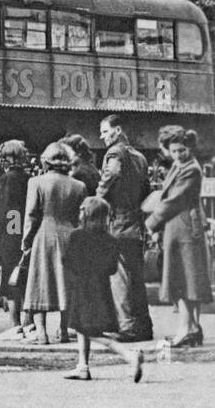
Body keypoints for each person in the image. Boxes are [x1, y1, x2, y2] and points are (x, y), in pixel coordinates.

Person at [64, 197, 144, 382]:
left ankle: (129, 356)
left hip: (82, 288)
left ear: (86, 213)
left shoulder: (77, 236)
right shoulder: (110, 240)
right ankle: (82, 366)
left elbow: (68, 261)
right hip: (102, 289)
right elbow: (111, 269)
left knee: (92, 331)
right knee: (82, 327)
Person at [145, 126, 212, 347]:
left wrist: (152, 221)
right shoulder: (179, 165)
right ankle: (191, 327)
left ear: (189, 147)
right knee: (182, 280)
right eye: (173, 151)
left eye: (182, 150)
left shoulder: (191, 169)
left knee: (185, 281)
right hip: (178, 228)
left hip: (185, 229)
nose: (178, 155)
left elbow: (174, 199)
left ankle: (186, 329)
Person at [96, 115, 154, 342]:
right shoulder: (140, 157)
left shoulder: (115, 153)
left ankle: (128, 326)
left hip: (117, 223)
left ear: (117, 130)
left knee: (120, 277)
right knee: (136, 277)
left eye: (104, 131)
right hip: (136, 224)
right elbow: (146, 190)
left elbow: (112, 174)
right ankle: (144, 326)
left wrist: (96, 198)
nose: (102, 136)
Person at [22, 143, 85, 344]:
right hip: (70, 235)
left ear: (45, 160)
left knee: (40, 282)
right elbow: (81, 217)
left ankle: (42, 333)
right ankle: (64, 330)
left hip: (44, 234)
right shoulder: (79, 185)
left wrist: (26, 241)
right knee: (65, 283)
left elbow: (31, 215)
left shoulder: (36, 182)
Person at [0, 140, 33, 340]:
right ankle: (29, 322)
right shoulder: (29, 178)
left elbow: (7, 210)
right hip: (27, 233)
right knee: (25, 280)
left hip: (12, 235)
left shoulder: (7, 179)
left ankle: (16, 325)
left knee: (11, 278)